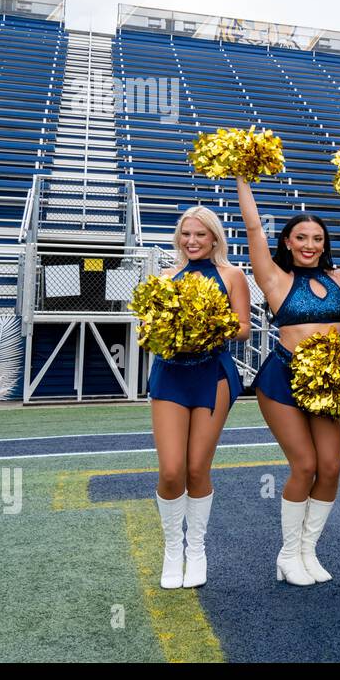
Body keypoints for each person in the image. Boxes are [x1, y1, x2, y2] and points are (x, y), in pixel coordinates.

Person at [237, 177, 340, 586]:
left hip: (329, 384)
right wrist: (241, 176)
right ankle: (288, 554)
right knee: (304, 465)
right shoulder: (274, 278)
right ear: (287, 241)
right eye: (301, 237)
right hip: (282, 380)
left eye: (317, 238)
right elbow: (254, 228)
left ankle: (309, 549)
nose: (310, 244)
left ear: (325, 244)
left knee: (331, 467)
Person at [148, 207, 250, 590]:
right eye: (186, 234)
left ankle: (197, 548)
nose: (192, 241)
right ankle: (173, 549)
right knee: (172, 470)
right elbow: (150, 327)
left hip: (213, 373)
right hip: (171, 373)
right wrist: (168, 328)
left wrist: (208, 326)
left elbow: (243, 328)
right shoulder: (165, 277)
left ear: (214, 239)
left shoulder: (232, 275)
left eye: (200, 235)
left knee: (197, 468)